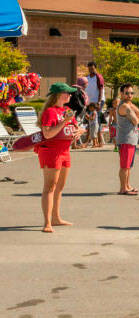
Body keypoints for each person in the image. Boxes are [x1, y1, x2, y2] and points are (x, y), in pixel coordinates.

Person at [36, 83, 84, 233]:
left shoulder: (67, 110)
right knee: (50, 187)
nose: (70, 95)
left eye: (70, 93)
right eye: (67, 93)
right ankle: (47, 223)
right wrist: (64, 121)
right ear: (58, 94)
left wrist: (79, 132)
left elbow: (78, 127)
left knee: (60, 187)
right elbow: (48, 133)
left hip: (64, 151)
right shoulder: (50, 112)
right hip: (51, 151)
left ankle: (56, 218)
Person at [116, 84, 139, 195]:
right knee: (124, 166)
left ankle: (127, 185)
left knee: (128, 166)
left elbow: (138, 115)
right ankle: (123, 188)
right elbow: (136, 120)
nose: (129, 95)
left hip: (131, 139)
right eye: (127, 93)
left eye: (131, 93)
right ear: (121, 94)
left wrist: (136, 111)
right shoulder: (124, 107)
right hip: (126, 139)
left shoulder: (129, 105)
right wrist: (135, 111)